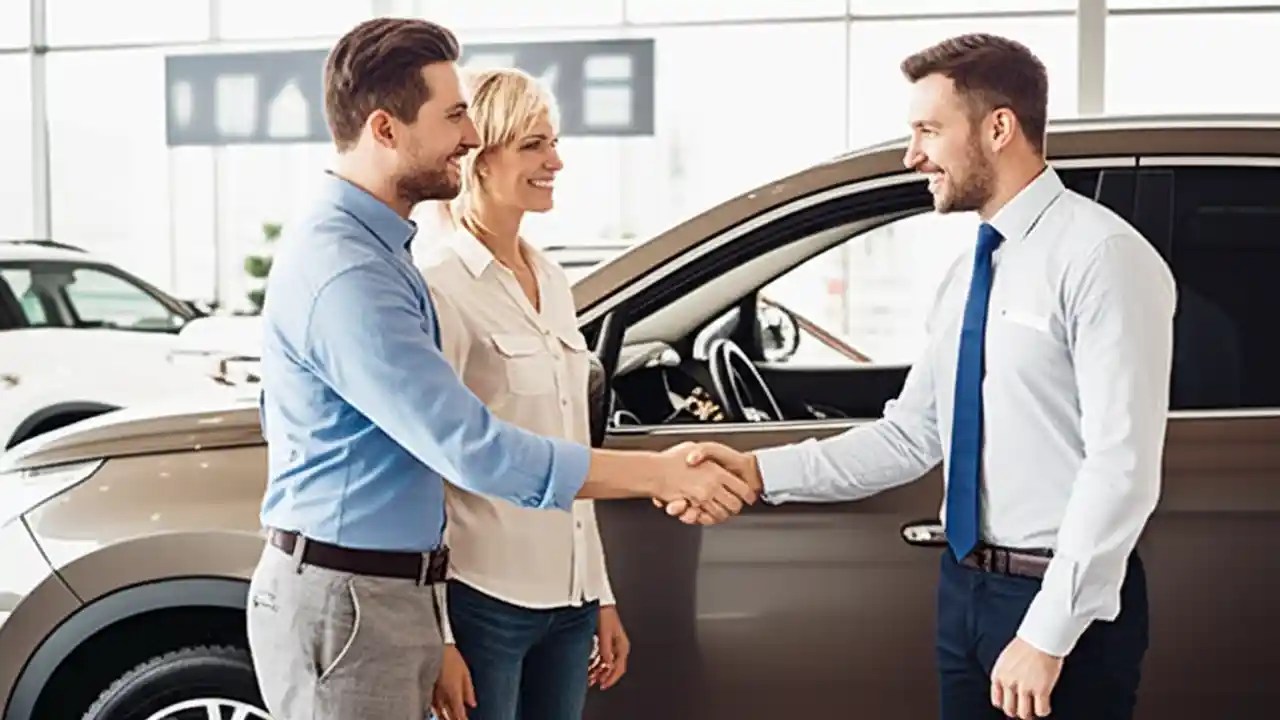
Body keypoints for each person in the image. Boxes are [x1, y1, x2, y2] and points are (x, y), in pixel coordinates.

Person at [245, 18, 756, 720]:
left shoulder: (383, 251)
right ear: (386, 129)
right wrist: (659, 473)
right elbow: (470, 449)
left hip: (394, 591)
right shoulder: (350, 270)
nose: (469, 133)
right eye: (455, 115)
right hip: (355, 598)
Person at [670, 33, 1176, 720]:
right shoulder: (970, 272)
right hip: (964, 591)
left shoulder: (1101, 257)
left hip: (1055, 602)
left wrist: (1048, 633)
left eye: (928, 130)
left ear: (999, 127)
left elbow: (1121, 466)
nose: (913, 156)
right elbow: (911, 437)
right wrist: (758, 473)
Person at [415, 67, 627, 720]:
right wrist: (440, 634)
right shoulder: (441, 284)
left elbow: (568, 444)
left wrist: (600, 591)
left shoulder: (553, 279)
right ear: (481, 152)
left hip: (568, 605)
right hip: (484, 603)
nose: (555, 160)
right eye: (535, 144)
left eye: (553, 142)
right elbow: (427, 464)